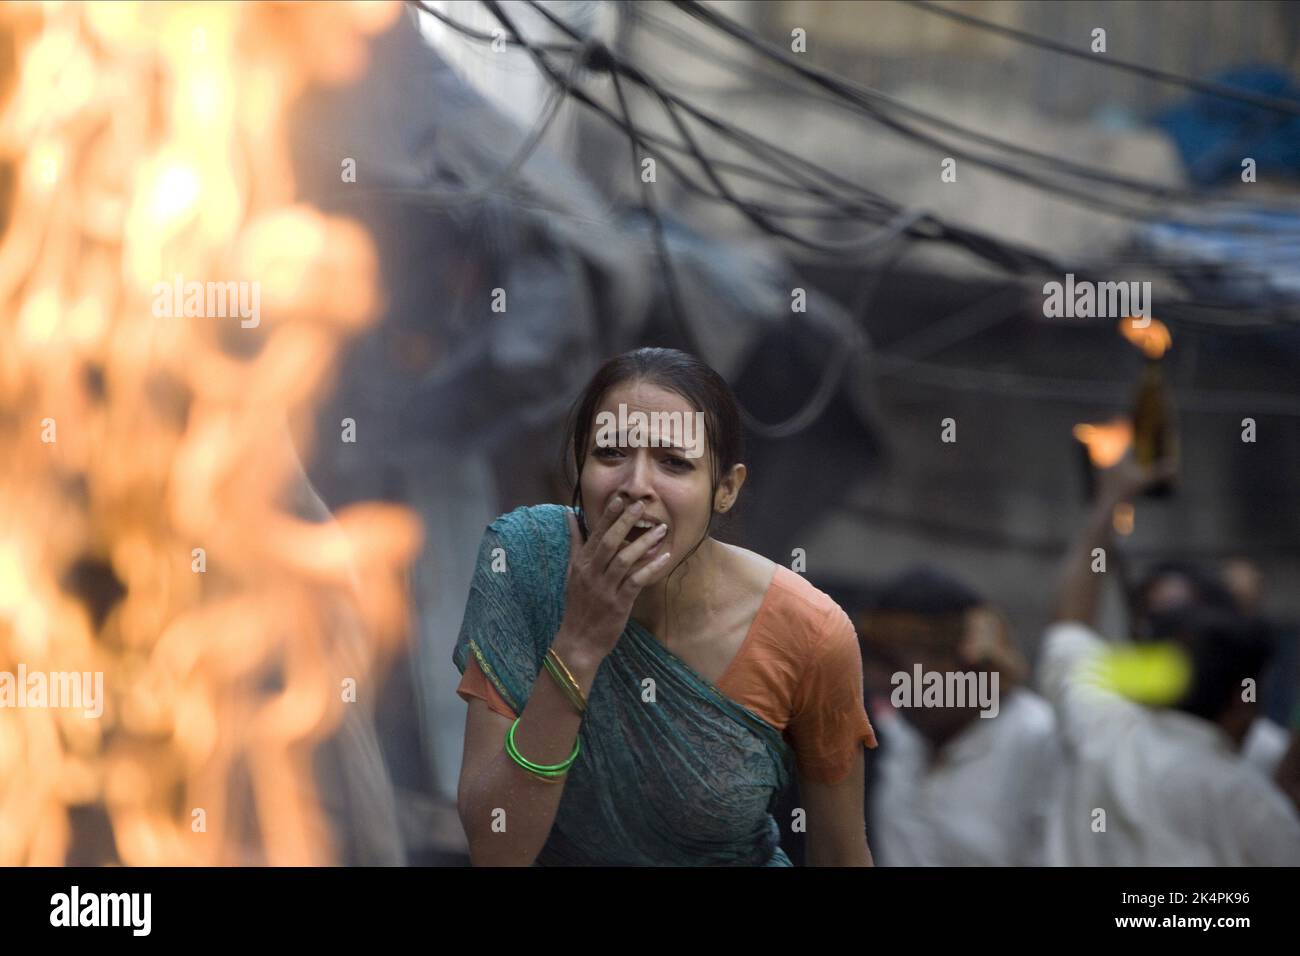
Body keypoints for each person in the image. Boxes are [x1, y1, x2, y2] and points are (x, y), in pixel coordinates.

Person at [451, 347, 878, 866]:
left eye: (674, 463)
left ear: (725, 490)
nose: (636, 487)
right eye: (610, 453)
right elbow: (496, 849)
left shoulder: (809, 632)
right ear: (578, 467)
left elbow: (840, 855)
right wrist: (579, 645)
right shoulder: (524, 560)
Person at [1040, 454, 1300, 865]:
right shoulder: (1258, 809)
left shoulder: (1100, 729)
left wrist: (1111, 497)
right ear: (1243, 699)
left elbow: (1069, 631)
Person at [863, 567, 1062, 866]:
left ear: (965, 661)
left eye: (894, 663)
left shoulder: (1038, 739)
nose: (880, 681)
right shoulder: (896, 738)